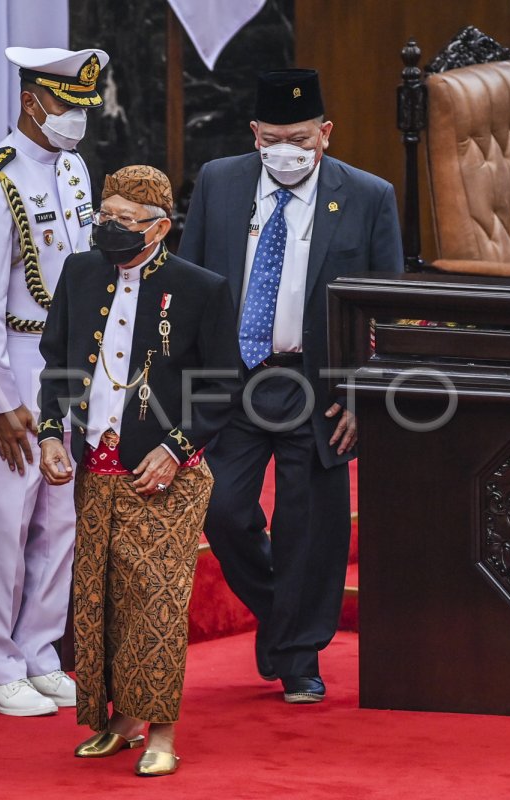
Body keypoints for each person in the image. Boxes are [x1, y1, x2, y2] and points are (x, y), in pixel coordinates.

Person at [178, 69, 402, 704]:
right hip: (236, 380)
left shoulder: (367, 196)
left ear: (325, 135)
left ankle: (300, 656)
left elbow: (384, 310)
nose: (286, 149)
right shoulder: (220, 184)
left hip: (319, 384)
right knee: (221, 511)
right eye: (273, 137)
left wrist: (364, 397)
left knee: (310, 526)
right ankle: (286, 616)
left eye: (300, 139)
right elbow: (190, 287)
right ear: (254, 133)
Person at [37, 165, 239, 776]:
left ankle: (162, 731)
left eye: (128, 220)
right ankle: (118, 720)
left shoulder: (200, 287)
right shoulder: (79, 272)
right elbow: (56, 362)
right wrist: (51, 432)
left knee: (154, 603)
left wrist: (176, 447)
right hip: (96, 470)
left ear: (161, 227)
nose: (113, 229)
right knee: (99, 601)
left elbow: (223, 387)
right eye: (107, 216)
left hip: (164, 478)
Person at [0, 45, 109, 717]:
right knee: (6, 524)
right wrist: (2, 403)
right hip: (15, 368)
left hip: (68, 371)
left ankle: (41, 651)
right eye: (67, 106)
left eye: (83, 108)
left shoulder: (73, 169)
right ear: (31, 100)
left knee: (59, 521)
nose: (76, 120)